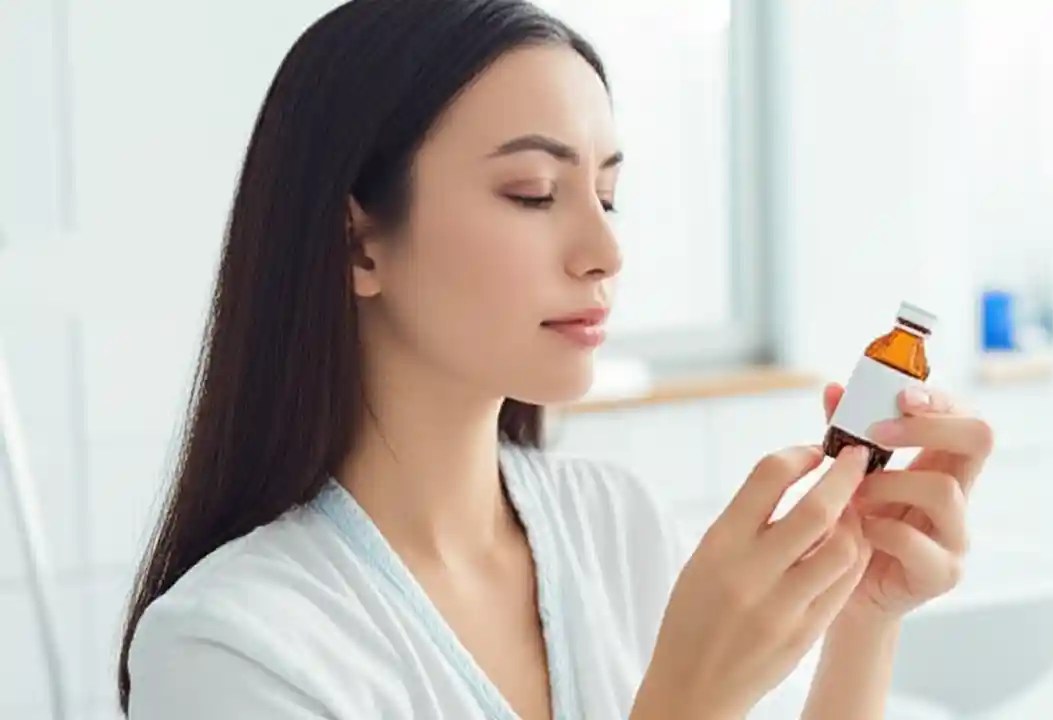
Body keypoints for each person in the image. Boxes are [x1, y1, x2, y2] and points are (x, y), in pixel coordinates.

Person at [118, 1, 994, 718]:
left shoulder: (616, 526)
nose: (605, 248)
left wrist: (865, 621)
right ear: (357, 246)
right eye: (533, 193)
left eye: (608, 194)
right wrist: (685, 704)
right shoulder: (230, 649)